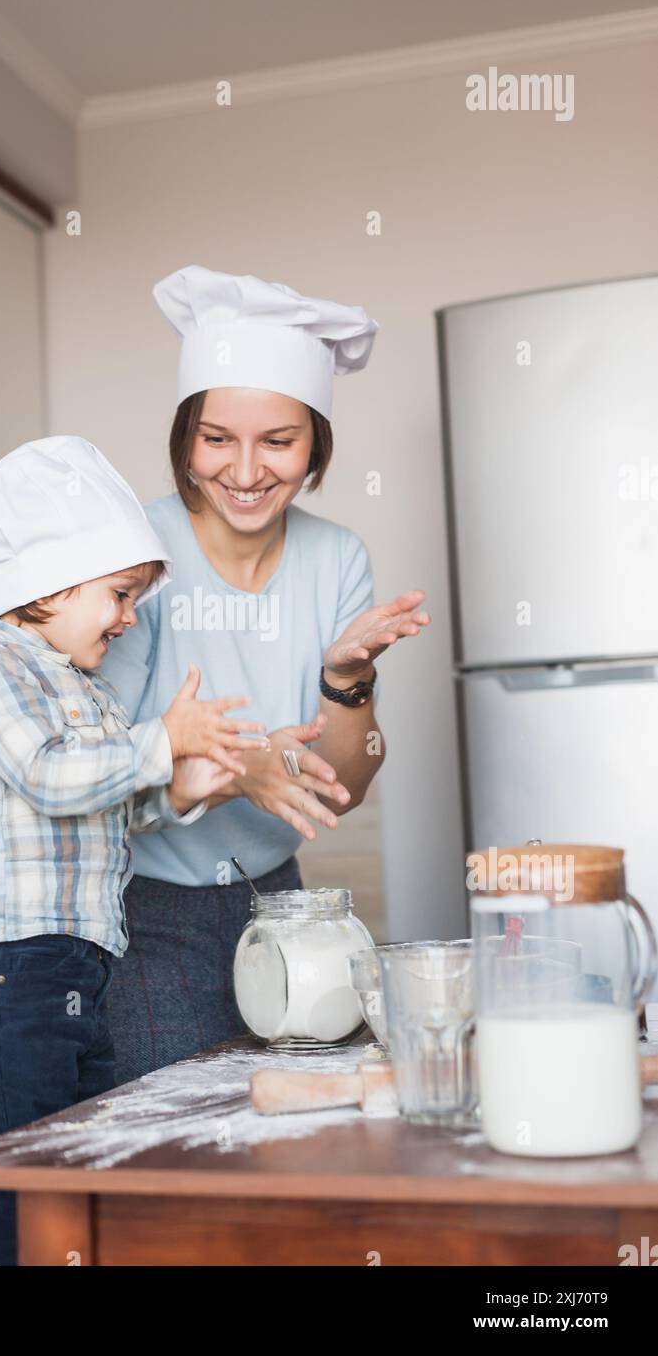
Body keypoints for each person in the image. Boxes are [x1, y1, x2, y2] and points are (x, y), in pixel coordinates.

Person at [0, 434, 266, 1264]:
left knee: (79, 1166)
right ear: (52, 581)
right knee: (22, 1180)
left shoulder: (84, 687)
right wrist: (162, 737)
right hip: (5, 975)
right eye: (118, 595)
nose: (127, 617)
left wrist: (182, 786)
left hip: (77, 972)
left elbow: (100, 803)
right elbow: (50, 777)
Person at [100, 265, 430, 1083]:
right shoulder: (132, 550)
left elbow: (341, 788)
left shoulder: (336, 558)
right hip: (146, 910)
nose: (245, 472)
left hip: (282, 898)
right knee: (173, 1139)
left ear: (314, 442)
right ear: (185, 439)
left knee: (283, 1130)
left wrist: (342, 678)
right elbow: (101, 761)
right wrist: (234, 769)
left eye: (277, 441)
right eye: (217, 439)